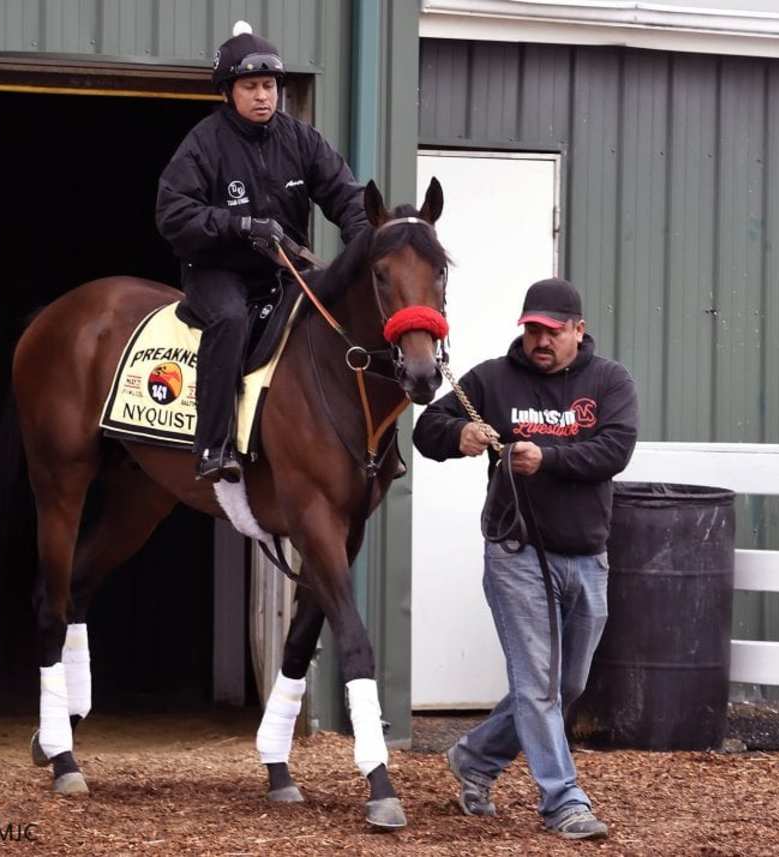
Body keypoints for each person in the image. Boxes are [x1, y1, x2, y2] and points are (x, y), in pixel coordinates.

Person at [412, 277, 639, 841]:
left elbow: (615, 449)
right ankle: (563, 801)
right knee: (537, 680)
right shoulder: (492, 378)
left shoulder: (610, 381)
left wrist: (549, 458)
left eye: (552, 331)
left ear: (578, 330)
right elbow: (426, 429)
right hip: (515, 552)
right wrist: (460, 432)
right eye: (532, 329)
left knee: (567, 685)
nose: (540, 340)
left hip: (587, 555)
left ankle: (475, 757)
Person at [155, 22, 368, 483]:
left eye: (268, 85)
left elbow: (346, 196)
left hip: (284, 270)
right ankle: (212, 446)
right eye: (250, 86)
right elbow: (172, 214)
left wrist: (366, 241)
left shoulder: (302, 140)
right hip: (217, 271)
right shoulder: (203, 143)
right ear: (228, 92)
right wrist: (238, 225)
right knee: (230, 319)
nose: (262, 96)